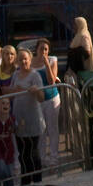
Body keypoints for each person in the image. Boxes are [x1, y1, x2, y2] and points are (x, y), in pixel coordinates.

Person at [32, 38, 60, 167]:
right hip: (38, 101)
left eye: (46, 49)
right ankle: (42, 158)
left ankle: (54, 156)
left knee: (52, 128)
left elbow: (51, 81)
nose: (43, 51)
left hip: (51, 98)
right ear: (36, 49)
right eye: (41, 48)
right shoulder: (30, 62)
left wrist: (47, 64)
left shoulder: (52, 60)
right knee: (41, 130)